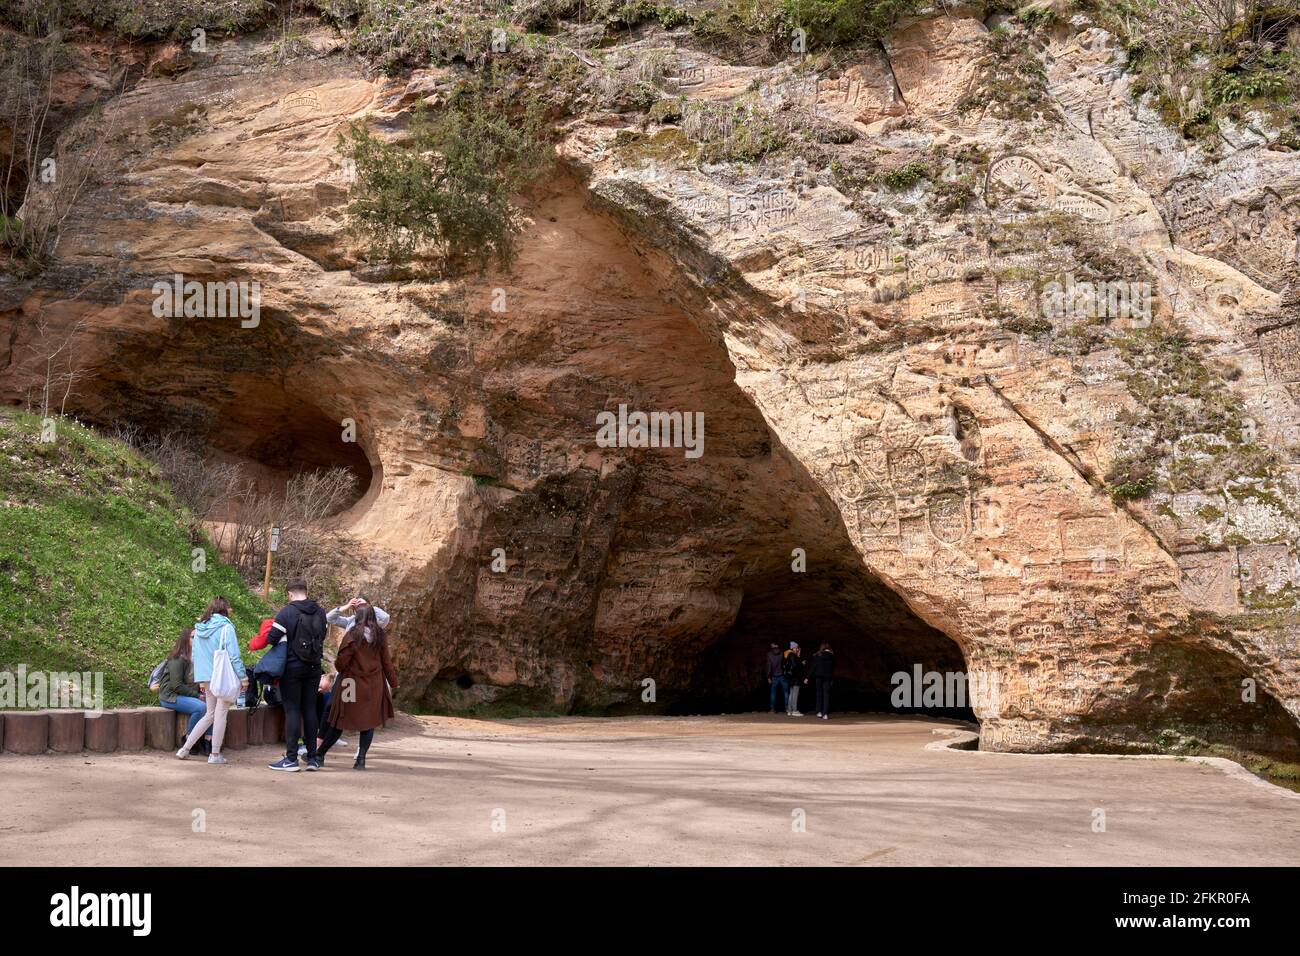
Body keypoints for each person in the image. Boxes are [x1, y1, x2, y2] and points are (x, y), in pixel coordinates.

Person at [318, 605, 398, 770]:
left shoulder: (353, 634)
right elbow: (386, 662)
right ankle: (360, 760)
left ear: (357, 617)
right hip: (374, 685)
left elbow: (342, 662)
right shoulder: (380, 636)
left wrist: (339, 667)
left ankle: (320, 755)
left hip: (351, 684)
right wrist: (394, 682)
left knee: (340, 718)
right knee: (368, 722)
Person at [266, 581, 329, 772]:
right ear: (306, 592)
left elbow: (272, 638)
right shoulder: (320, 612)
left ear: (290, 594)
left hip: (292, 668)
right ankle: (312, 759)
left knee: (292, 710)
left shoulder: (287, 612)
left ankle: (291, 759)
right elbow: (323, 635)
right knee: (310, 710)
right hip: (314, 667)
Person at [176, 598, 247, 764]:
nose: (231, 610)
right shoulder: (226, 627)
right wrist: (243, 676)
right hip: (222, 676)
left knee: (210, 714)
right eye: (230, 607)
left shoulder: (199, 629)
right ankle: (215, 754)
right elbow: (234, 655)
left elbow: (196, 656)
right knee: (221, 713)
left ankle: (185, 748)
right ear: (224, 609)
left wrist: (201, 678)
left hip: (206, 677)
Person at [159, 628, 210, 753]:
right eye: (193, 637)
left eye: (199, 637)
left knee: (212, 707)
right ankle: (188, 739)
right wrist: (198, 696)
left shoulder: (199, 657)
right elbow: (177, 685)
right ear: (185, 640)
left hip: (189, 695)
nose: (197, 640)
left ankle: (208, 739)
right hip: (171, 696)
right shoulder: (178, 658)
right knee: (201, 708)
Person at [808, 642, 835, 720]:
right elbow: (833, 669)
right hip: (828, 677)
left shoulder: (817, 655)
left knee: (819, 694)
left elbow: (813, 667)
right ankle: (825, 714)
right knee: (826, 695)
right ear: (829, 648)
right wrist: (832, 679)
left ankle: (819, 712)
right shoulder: (832, 656)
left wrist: (808, 677)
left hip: (819, 677)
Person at [782, 642, 804, 717]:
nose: (798, 649)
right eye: (797, 647)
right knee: (795, 694)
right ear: (793, 647)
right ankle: (794, 710)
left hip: (790, 677)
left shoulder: (787, 654)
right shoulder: (792, 655)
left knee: (791, 694)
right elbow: (795, 666)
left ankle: (789, 710)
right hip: (795, 677)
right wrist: (801, 663)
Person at [765, 643, 787, 713]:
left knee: (773, 693)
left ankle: (772, 709)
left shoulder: (769, 654)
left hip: (774, 676)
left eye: (771, 644)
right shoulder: (782, 652)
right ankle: (787, 708)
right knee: (786, 692)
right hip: (782, 675)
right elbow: (785, 663)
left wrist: (768, 676)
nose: (770, 646)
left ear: (774, 645)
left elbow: (769, 666)